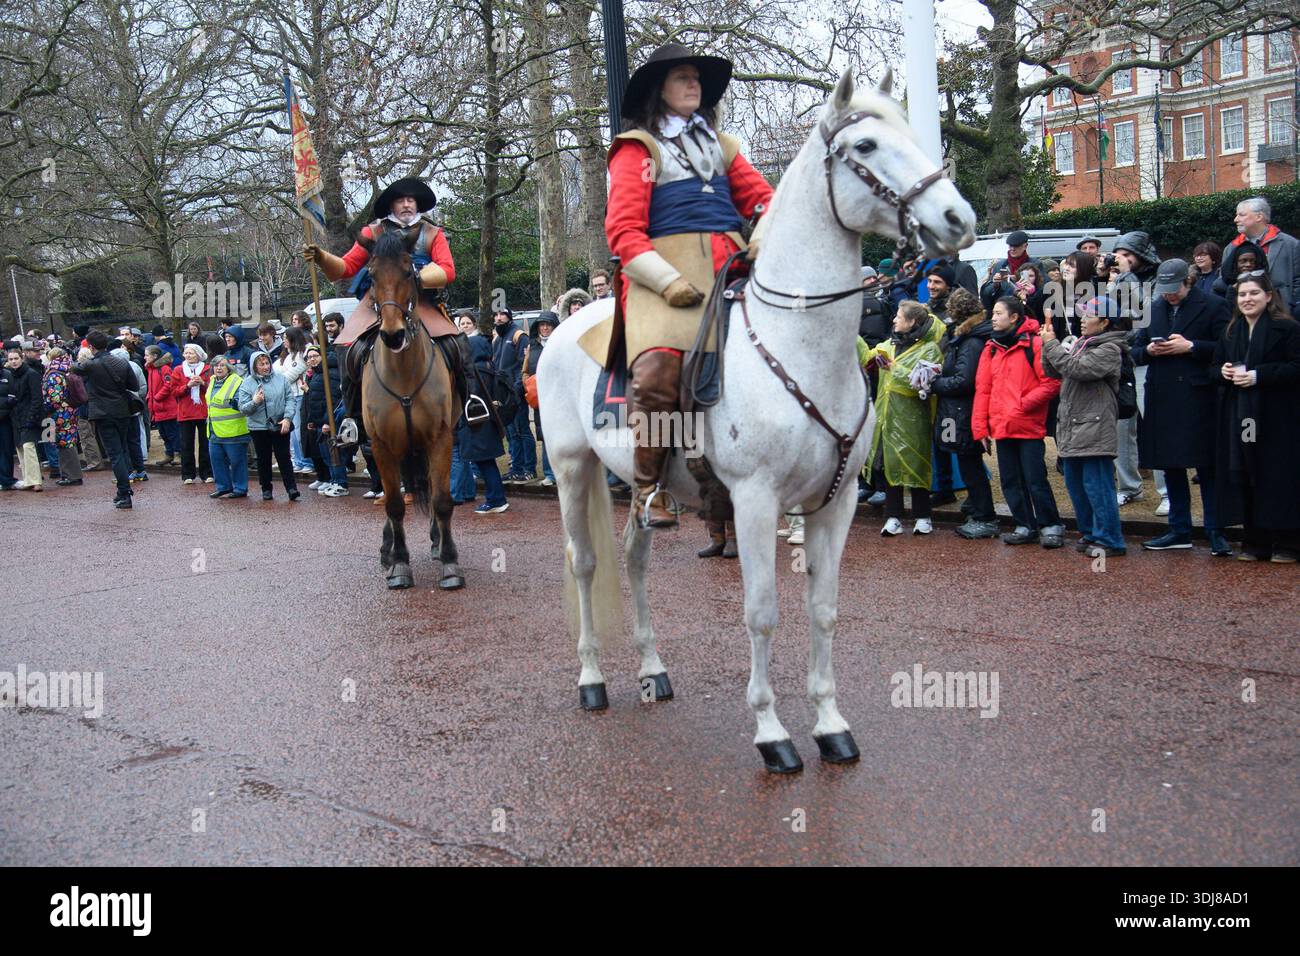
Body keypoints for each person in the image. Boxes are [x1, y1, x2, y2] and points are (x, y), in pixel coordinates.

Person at [606, 42, 773, 527]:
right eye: (682, 77)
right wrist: (666, 280)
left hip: (732, 267)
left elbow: (764, 199)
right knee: (659, 376)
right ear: (660, 90)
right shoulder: (637, 148)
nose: (693, 84)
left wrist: (760, 236)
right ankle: (647, 490)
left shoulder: (723, 146)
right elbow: (623, 232)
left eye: (697, 77)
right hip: (663, 274)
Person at [302, 177, 456, 444]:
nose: (407, 204)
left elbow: (448, 269)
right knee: (350, 349)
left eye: (411, 200)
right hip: (378, 302)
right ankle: (352, 418)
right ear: (392, 205)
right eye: (401, 200)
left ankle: (472, 404)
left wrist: (415, 276)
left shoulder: (432, 233)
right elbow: (347, 267)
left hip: (420, 300)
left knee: (458, 345)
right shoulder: (373, 232)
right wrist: (321, 257)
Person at [1133, 259, 1233, 555]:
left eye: (1174, 289)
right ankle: (1179, 529)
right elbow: (1135, 351)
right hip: (1163, 395)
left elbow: (1227, 348)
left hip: (1199, 396)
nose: (1169, 295)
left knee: (1208, 467)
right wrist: (1149, 350)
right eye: (1164, 290)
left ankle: (1216, 529)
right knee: (1171, 465)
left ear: (1188, 281)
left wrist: (1190, 347)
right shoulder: (1153, 308)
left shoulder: (1214, 305)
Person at [1212, 272, 1300, 562]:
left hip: (1276, 416)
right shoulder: (1231, 331)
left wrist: (1259, 376)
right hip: (1240, 414)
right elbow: (1214, 369)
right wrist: (1223, 373)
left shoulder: (1287, 328)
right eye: (1242, 295)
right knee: (1245, 472)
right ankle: (1255, 538)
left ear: (1268, 296)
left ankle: (1287, 541)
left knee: (1276, 475)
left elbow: (1296, 367)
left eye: (1253, 293)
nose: (1247, 299)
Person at [971, 296, 1064, 547]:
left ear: (1013, 317)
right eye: (993, 313)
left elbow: (1051, 382)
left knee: (1035, 478)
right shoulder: (990, 348)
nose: (993, 317)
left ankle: (1050, 524)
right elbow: (983, 390)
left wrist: (1021, 406)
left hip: (1026, 425)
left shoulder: (1033, 344)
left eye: (998, 313)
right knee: (1010, 480)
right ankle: (1024, 524)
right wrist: (980, 428)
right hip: (1002, 426)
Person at [1040, 295, 1128, 557]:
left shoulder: (1110, 349)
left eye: (1088, 316)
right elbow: (1055, 371)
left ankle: (1110, 539)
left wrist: (1051, 344)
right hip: (1073, 425)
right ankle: (1090, 533)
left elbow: (1078, 369)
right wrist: (1049, 345)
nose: (1082, 320)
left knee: (1098, 487)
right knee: (1076, 486)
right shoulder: (1082, 343)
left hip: (1095, 427)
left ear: (1104, 322)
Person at [861, 301, 944, 536]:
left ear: (912, 322)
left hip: (913, 417)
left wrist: (893, 368)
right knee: (889, 466)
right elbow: (866, 356)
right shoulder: (888, 345)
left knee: (916, 464)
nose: (894, 320)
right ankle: (893, 517)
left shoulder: (930, 350)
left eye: (899, 316)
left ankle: (923, 516)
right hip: (886, 416)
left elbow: (921, 382)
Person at [932, 289, 998, 539]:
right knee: (965, 459)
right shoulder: (966, 337)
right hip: (958, 410)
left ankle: (984, 516)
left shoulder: (970, 341)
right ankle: (975, 506)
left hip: (964, 409)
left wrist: (935, 383)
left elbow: (963, 381)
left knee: (969, 462)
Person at [1109, 230, 1162, 508]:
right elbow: (1111, 316)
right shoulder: (1119, 280)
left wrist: (1127, 277)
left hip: (1148, 360)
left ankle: (1166, 493)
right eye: (1121, 254)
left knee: (1155, 424)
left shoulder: (1159, 277)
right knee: (1121, 426)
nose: (1123, 260)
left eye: (1127, 255)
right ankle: (1129, 486)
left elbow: (1150, 315)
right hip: (1122, 358)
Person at [72, 330, 140, 508]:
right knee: (123, 449)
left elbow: (75, 368)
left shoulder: (91, 364)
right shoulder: (121, 361)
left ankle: (124, 493)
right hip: (122, 410)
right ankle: (122, 491)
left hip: (102, 413)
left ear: (91, 347)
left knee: (115, 454)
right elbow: (133, 385)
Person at [1220, 196, 1300, 314]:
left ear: (1259, 216)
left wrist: (1293, 307)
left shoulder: (1291, 244)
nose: (1235, 219)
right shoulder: (1231, 248)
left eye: (1241, 215)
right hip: (1242, 316)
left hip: (1281, 315)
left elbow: (1298, 280)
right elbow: (1223, 281)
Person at [238, 351, 301, 501]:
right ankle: (266, 488)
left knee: (284, 457)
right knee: (263, 458)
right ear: (254, 366)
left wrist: (287, 418)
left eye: (267, 363)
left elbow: (290, 400)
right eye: (262, 364)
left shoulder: (281, 379)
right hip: (258, 427)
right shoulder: (247, 383)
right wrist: (255, 401)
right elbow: (243, 408)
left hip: (280, 424)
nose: (266, 367)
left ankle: (291, 488)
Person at [460, 333, 509, 513]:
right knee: (488, 462)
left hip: (477, 423)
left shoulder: (474, 371)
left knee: (485, 463)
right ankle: (496, 497)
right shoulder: (489, 366)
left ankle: (496, 500)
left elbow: (469, 397)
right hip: (488, 421)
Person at [302, 345, 348, 496]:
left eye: (315, 356)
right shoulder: (316, 373)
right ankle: (333, 481)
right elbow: (314, 399)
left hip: (328, 422)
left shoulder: (330, 373)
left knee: (334, 454)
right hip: (318, 421)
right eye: (309, 357)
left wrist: (329, 421)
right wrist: (312, 420)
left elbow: (334, 400)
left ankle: (340, 483)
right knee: (326, 455)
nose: (312, 359)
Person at [520, 311, 558, 486]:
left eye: (548, 324)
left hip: (560, 398)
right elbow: (525, 370)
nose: (545, 328)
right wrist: (528, 384)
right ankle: (549, 474)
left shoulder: (561, 344)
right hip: (540, 400)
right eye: (542, 324)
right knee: (545, 436)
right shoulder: (532, 347)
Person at [204, 355, 250, 499]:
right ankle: (223, 487)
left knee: (237, 461)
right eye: (216, 365)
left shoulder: (237, 382)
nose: (218, 368)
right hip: (214, 429)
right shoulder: (212, 381)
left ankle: (240, 488)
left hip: (233, 430)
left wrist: (234, 402)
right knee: (216, 459)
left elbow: (241, 403)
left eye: (222, 365)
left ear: (228, 368)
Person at [167, 343, 213, 484]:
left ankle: (207, 473)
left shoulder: (207, 369)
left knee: (205, 444)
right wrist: (187, 386)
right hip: (185, 411)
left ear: (198, 355)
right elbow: (173, 391)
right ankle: (187, 474)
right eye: (186, 353)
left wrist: (203, 384)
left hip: (203, 411)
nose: (188, 356)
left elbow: (212, 389)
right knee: (186, 444)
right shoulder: (178, 370)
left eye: (191, 353)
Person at [41, 348, 84, 487]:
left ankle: (71, 475)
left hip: (59, 412)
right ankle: (71, 474)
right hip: (71, 409)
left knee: (63, 443)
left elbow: (55, 397)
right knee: (69, 440)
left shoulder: (53, 374)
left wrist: (48, 407)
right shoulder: (67, 368)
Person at [273, 327, 312, 476]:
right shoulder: (289, 356)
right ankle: (299, 461)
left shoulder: (302, 354)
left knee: (299, 431)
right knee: (293, 432)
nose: (283, 341)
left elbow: (290, 376)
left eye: (286, 338)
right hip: (291, 396)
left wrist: (281, 374)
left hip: (300, 394)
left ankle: (307, 461)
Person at [4, 347, 42, 490]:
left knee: (28, 447)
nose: (13, 361)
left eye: (16, 358)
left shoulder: (31, 374)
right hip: (16, 416)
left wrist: (32, 417)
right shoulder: (11, 376)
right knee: (20, 448)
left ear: (22, 358)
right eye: (11, 359)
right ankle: (28, 479)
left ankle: (36, 480)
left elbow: (37, 398)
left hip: (29, 416)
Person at [112, 345, 149, 482]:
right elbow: (142, 386)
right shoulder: (135, 366)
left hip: (121, 409)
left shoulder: (114, 369)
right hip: (134, 408)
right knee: (134, 440)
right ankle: (140, 469)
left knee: (123, 442)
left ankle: (128, 471)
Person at [144, 346, 179, 466]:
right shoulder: (151, 369)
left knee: (172, 432)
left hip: (166, 407)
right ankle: (169, 454)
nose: (145, 357)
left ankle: (178, 453)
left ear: (154, 356)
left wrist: (157, 397)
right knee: (163, 433)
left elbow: (169, 384)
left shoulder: (164, 369)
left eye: (147, 355)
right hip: (157, 408)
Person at [0, 355, 18, 489]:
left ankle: (6, 479)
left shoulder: (7, 374)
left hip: (5, 419)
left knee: (6, 449)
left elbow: (12, 396)